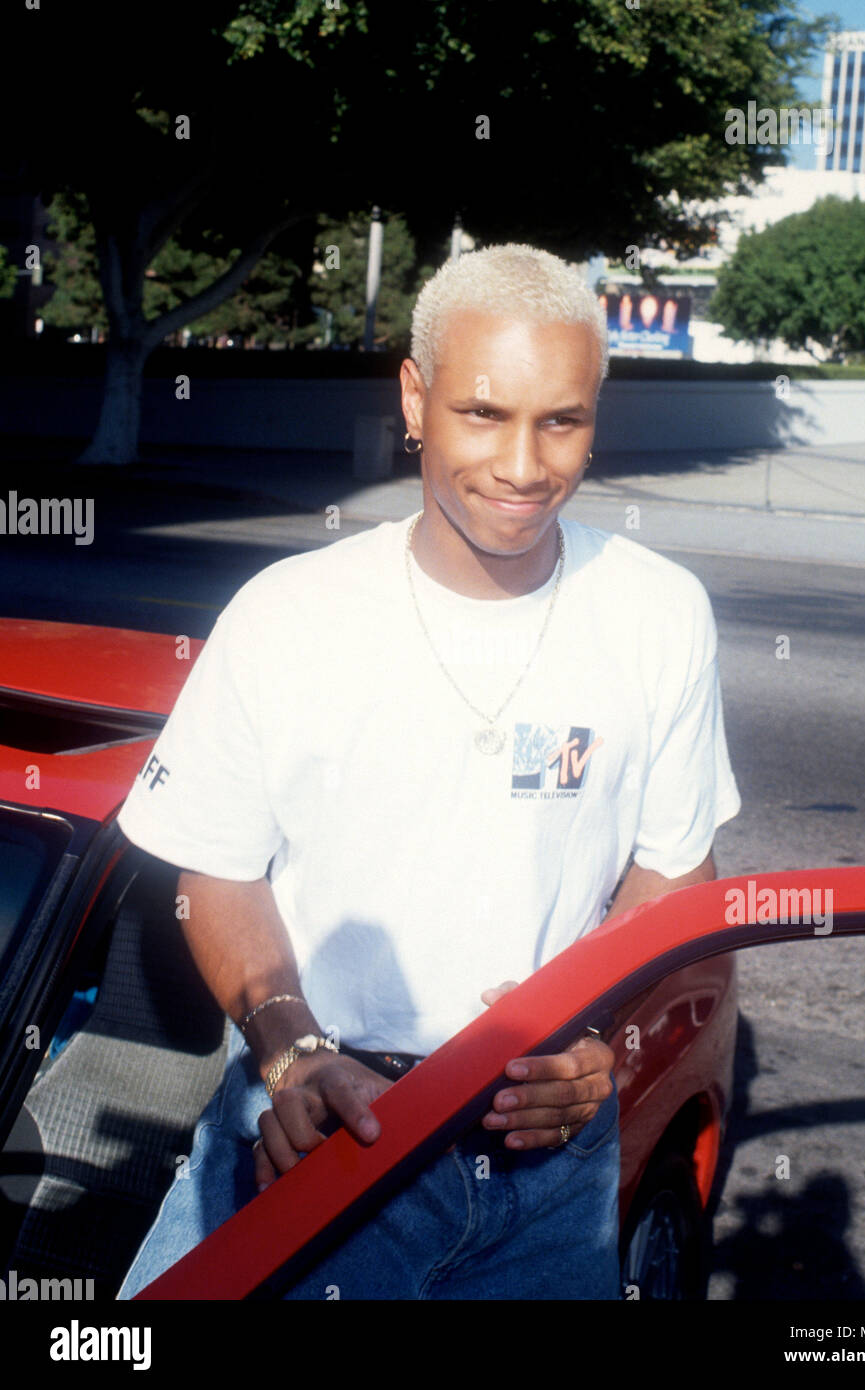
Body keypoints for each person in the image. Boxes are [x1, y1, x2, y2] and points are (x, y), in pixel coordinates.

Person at [116, 242, 740, 1300]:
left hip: (552, 1178)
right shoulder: (289, 613)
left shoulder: (660, 610)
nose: (524, 465)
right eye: (483, 414)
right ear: (415, 398)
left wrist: (604, 1038)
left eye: (563, 420)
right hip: (314, 1144)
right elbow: (214, 870)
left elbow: (672, 868)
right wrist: (289, 1047)